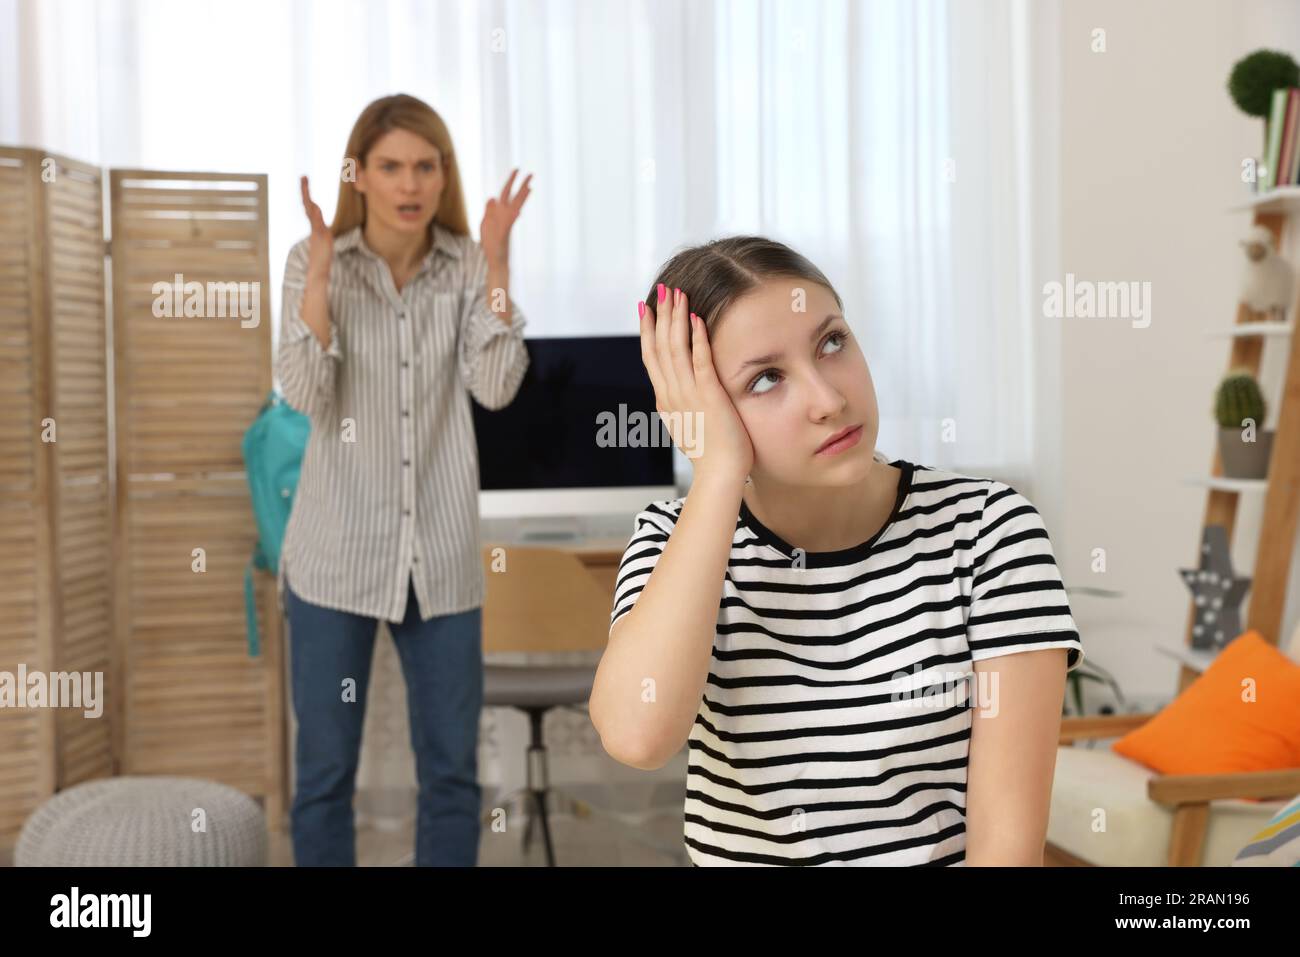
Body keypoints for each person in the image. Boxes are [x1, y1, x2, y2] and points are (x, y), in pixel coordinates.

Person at [588, 236, 1085, 866]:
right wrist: (716, 473)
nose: (829, 400)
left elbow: (1007, 853)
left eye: (832, 342)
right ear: (699, 406)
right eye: (766, 379)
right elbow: (637, 736)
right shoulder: (672, 538)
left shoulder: (988, 530)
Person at [274, 93, 533, 866]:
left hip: (442, 559)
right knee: (324, 776)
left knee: (452, 773)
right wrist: (320, 275)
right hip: (333, 558)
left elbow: (496, 386)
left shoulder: (463, 266)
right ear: (359, 173)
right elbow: (305, 392)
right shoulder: (311, 260)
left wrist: (497, 267)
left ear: (442, 174)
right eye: (390, 166)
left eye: (425, 165)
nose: (409, 183)